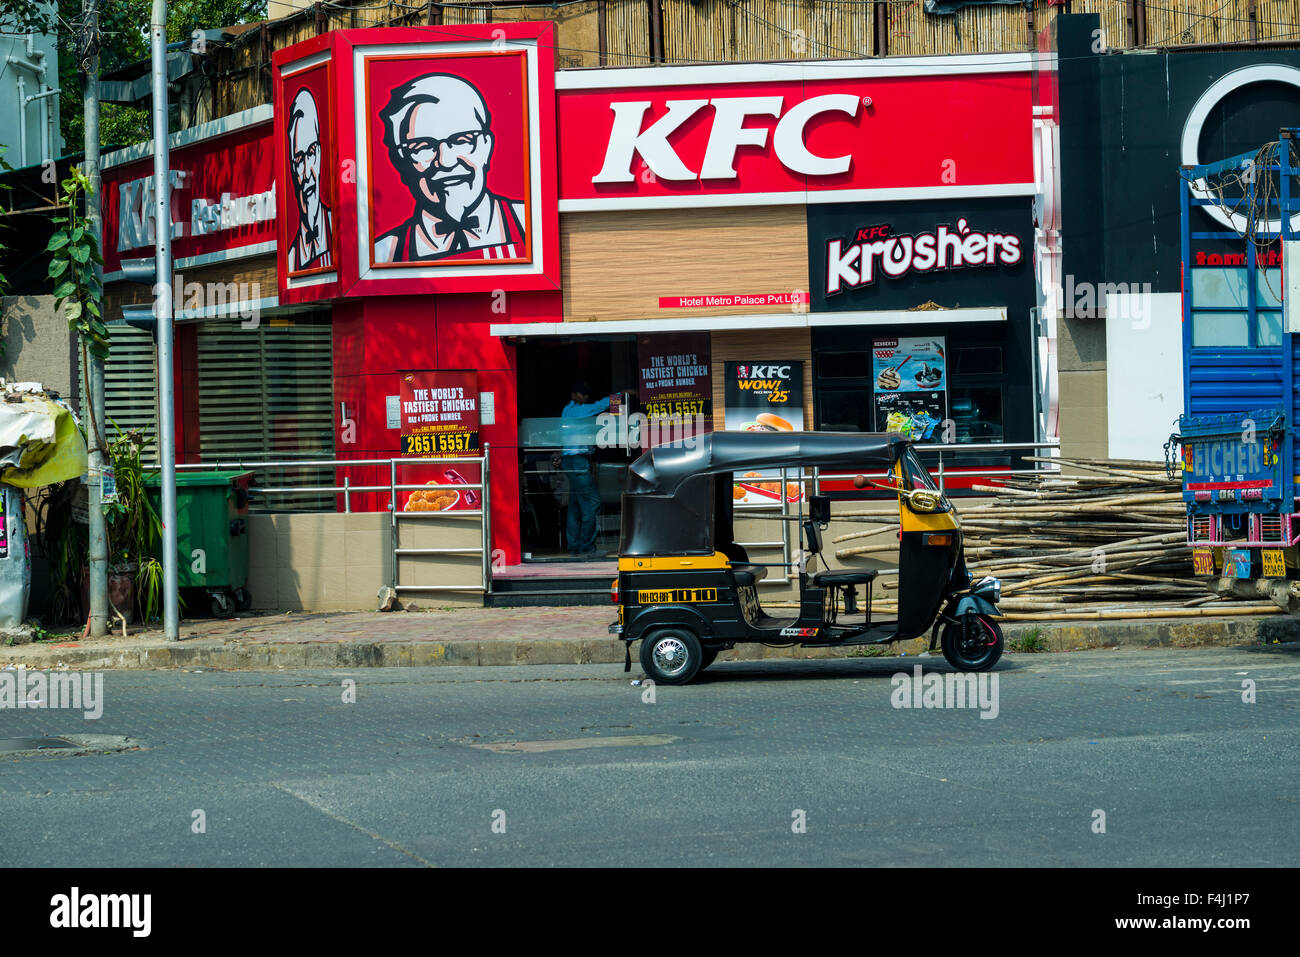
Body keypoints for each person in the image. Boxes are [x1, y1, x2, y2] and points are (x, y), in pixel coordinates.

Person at [373, 73, 527, 264]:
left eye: (462, 140)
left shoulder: (531, 226)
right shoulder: (384, 254)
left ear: (487, 146)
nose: (445, 162)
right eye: (423, 146)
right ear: (400, 161)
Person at [554, 382, 614, 556]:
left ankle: (573, 546)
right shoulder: (579, 411)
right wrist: (620, 394)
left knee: (575, 505)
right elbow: (599, 406)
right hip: (578, 461)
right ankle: (587, 547)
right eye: (583, 396)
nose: (586, 399)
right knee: (592, 502)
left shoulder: (567, 409)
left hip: (570, 460)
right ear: (576, 395)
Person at [286, 87, 332, 271]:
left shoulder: (341, 232)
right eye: (299, 159)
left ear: (320, 154)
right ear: (291, 168)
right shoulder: (290, 262)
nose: (306, 174)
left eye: (311, 152)